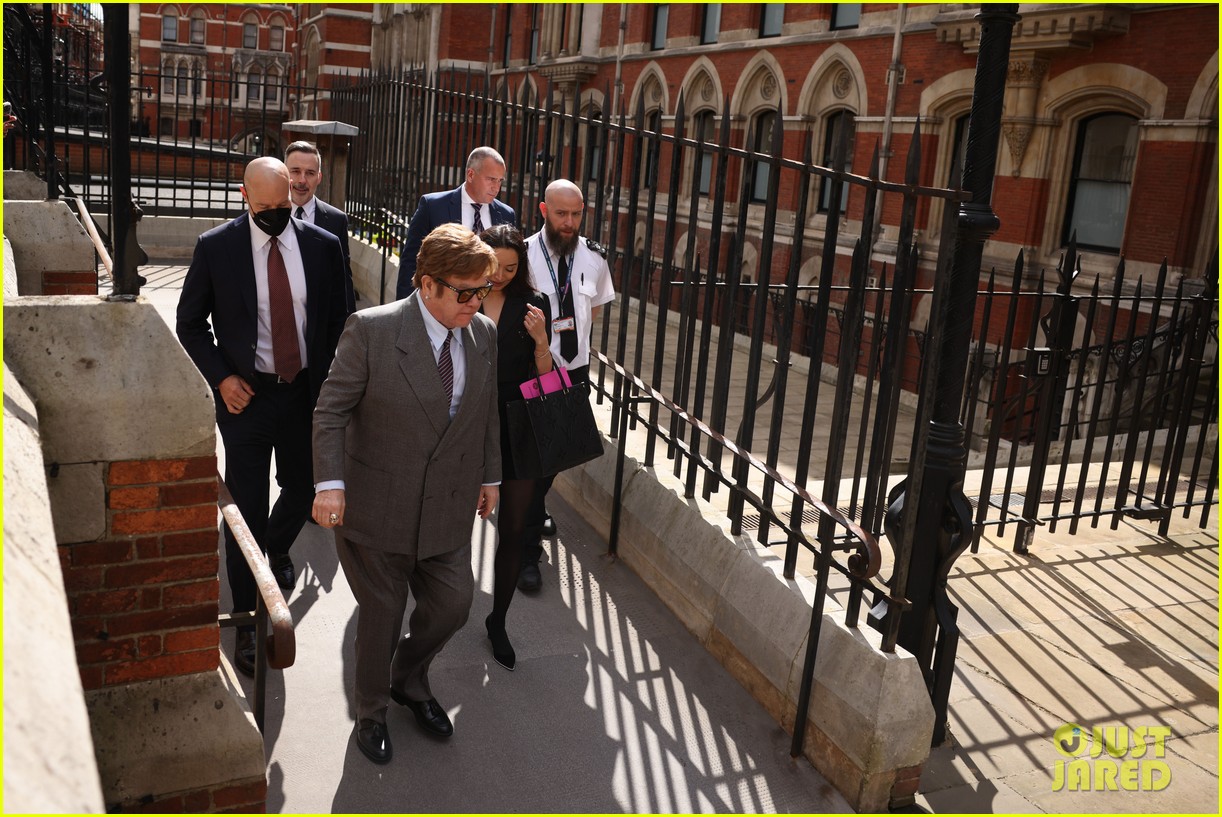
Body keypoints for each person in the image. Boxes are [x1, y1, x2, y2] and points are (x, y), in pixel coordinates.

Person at [312, 223, 501, 765]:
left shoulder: (482, 334)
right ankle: (370, 713)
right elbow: (330, 412)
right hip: (375, 506)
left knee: (453, 605)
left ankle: (408, 679)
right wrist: (330, 484)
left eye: (481, 290)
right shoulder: (371, 331)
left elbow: (484, 412)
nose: (474, 302)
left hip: (446, 506)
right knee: (383, 612)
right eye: (463, 292)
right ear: (426, 285)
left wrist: (489, 476)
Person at [176, 157, 349, 676]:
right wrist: (222, 378)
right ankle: (250, 624)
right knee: (245, 506)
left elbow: (341, 325)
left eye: (284, 206)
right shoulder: (217, 247)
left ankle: (271, 549)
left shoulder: (322, 247)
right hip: (245, 397)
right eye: (266, 206)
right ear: (245, 196)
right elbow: (190, 323)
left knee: (305, 487)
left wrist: (336, 393)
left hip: (305, 396)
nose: (277, 214)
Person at [517, 179, 616, 592]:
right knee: (533, 459)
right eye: (561, 214)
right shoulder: (521, 255)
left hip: (572, 372)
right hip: (530, 369)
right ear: (543, 211)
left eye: (576, 214)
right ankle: (525, 552)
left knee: (555, 457)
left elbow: (593, 309)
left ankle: (536, 508)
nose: (570, 222)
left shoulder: (594, 258)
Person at [477, 225, 552, 671]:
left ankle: (497, 621)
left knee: (514, 530)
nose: (502, 275)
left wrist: (541, 341)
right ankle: (434, 613)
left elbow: (544, 378)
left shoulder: (533, 305)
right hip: (464, 425)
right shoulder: (460, 292)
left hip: (515, 426)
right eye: (495, 266)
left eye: (512, 267)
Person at [395, 146, 516, 299]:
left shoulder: (506, 214)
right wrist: (406, 310)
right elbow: (411, 261)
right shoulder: (433, 206)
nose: (496, 187)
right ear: (471, 175)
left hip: (487, 304)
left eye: (500, 181)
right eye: (491, 179)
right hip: (442, 304)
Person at [285, 140, 356, 312]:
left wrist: (350, 329)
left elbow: (343, 278)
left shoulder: (336, 221)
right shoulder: (268, 214)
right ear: (284, 173)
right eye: (295, 171)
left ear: (319, 177)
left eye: (310, 173)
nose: (302, 180)